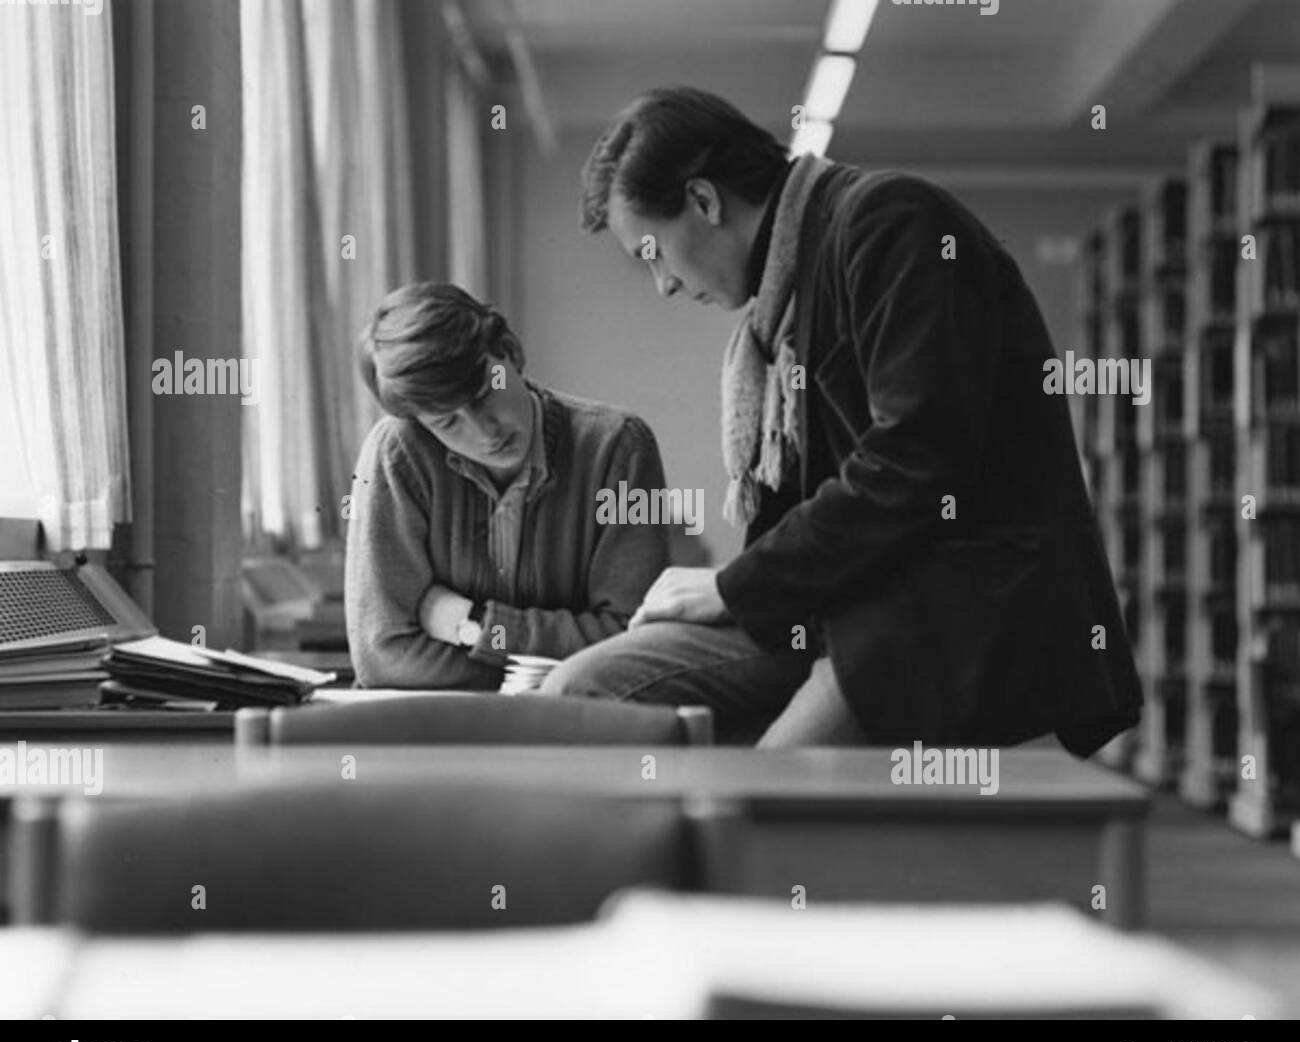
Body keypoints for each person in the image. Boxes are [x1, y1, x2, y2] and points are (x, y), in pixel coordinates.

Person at [541, 87, 1142, 756]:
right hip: (841, 604)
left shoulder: (890, 223)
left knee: (757, 804)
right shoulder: (781, 302)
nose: (664, 285)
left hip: (947, 606)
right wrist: (742, 591)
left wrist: (733, 586)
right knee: (579, 693)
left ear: (705, 201)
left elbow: (915, 461)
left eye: (652, 252)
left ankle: (746, 839)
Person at [345, 281, 669, 689]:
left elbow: (634, 639)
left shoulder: (620, 447)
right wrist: (536, 675)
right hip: (433, 731)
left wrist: (471, 626)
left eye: (484, 394)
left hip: (575, 727)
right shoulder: (396, 455)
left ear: (511, 352)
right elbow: (383, 659)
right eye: (447, 423)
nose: (484, 432)